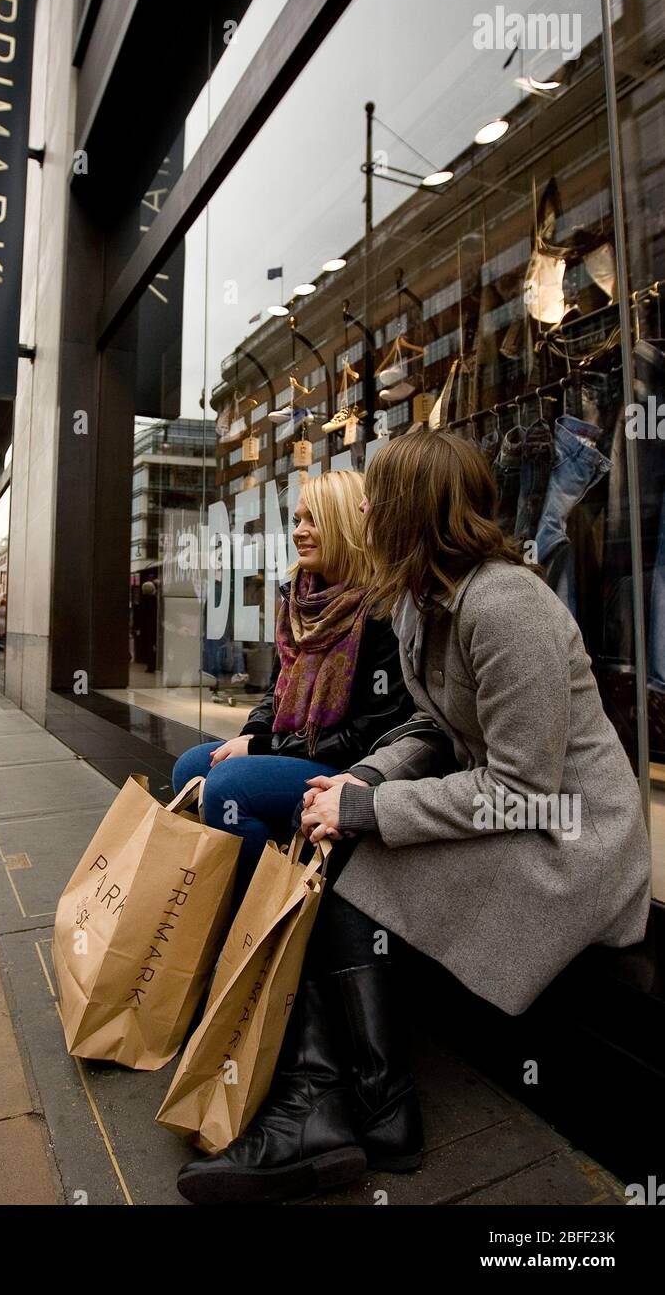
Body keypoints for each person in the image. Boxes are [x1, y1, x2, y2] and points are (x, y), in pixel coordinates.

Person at [178, 431, 651, 1206]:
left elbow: (526, 789)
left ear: (410, 511)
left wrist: (368, 806)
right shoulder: (420, 604)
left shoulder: (507, 605)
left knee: (353, 861)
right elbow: (432, 730)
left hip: (572, 844)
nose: (359, 510)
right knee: (336, 845)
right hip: (510, 815)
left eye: (373, 498)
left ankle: (350, 1107)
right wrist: (360, 783)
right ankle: (345, 1106)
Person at [171, 470, 412, 898]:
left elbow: (370, 734)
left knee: (229, 786)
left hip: (353, 763)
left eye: (312, 520)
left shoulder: (382, 611)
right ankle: (251, 889)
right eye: (297, 520)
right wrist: (253, 734)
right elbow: (279, 687)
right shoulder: (301, 599)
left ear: (345, 525)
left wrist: (261, 749)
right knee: (191, 766)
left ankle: (262, 915)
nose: (298, 532)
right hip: (300, 745)